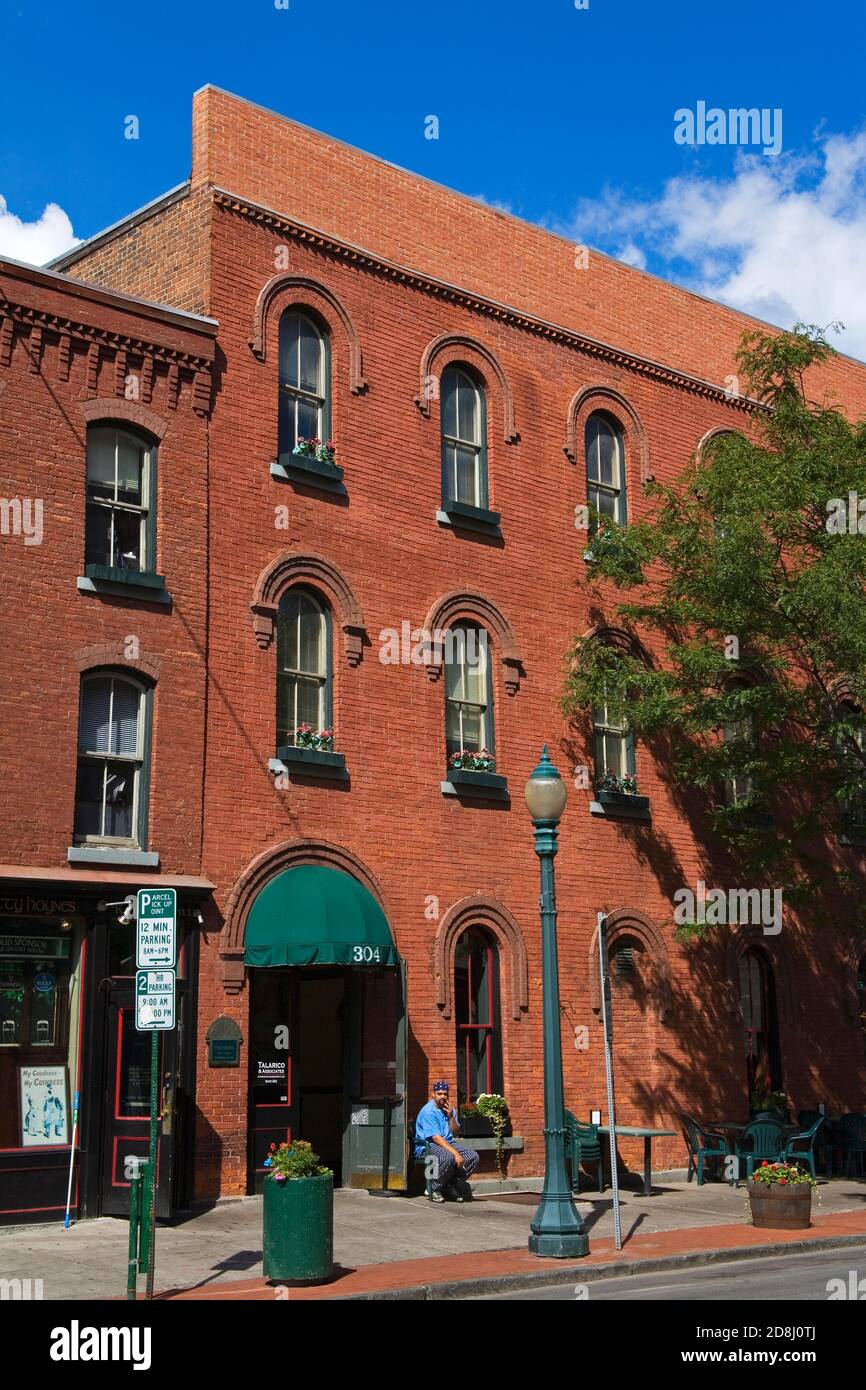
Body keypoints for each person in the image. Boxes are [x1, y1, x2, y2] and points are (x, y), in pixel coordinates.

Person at [414, 1080, 479, 1202]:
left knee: (473, 1156)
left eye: (445, 1093)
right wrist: (456, 1154)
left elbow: (455, 1132)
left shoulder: (449, 1109)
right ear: (433, 1095)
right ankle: (433, 1189)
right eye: (439, 1093)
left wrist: (450, 1117)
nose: (443, 1096)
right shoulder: (429, 1111)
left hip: (447, 1143)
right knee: (447, 1156)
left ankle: (449, 1183)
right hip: (427, 1145)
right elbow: (435, 1138)